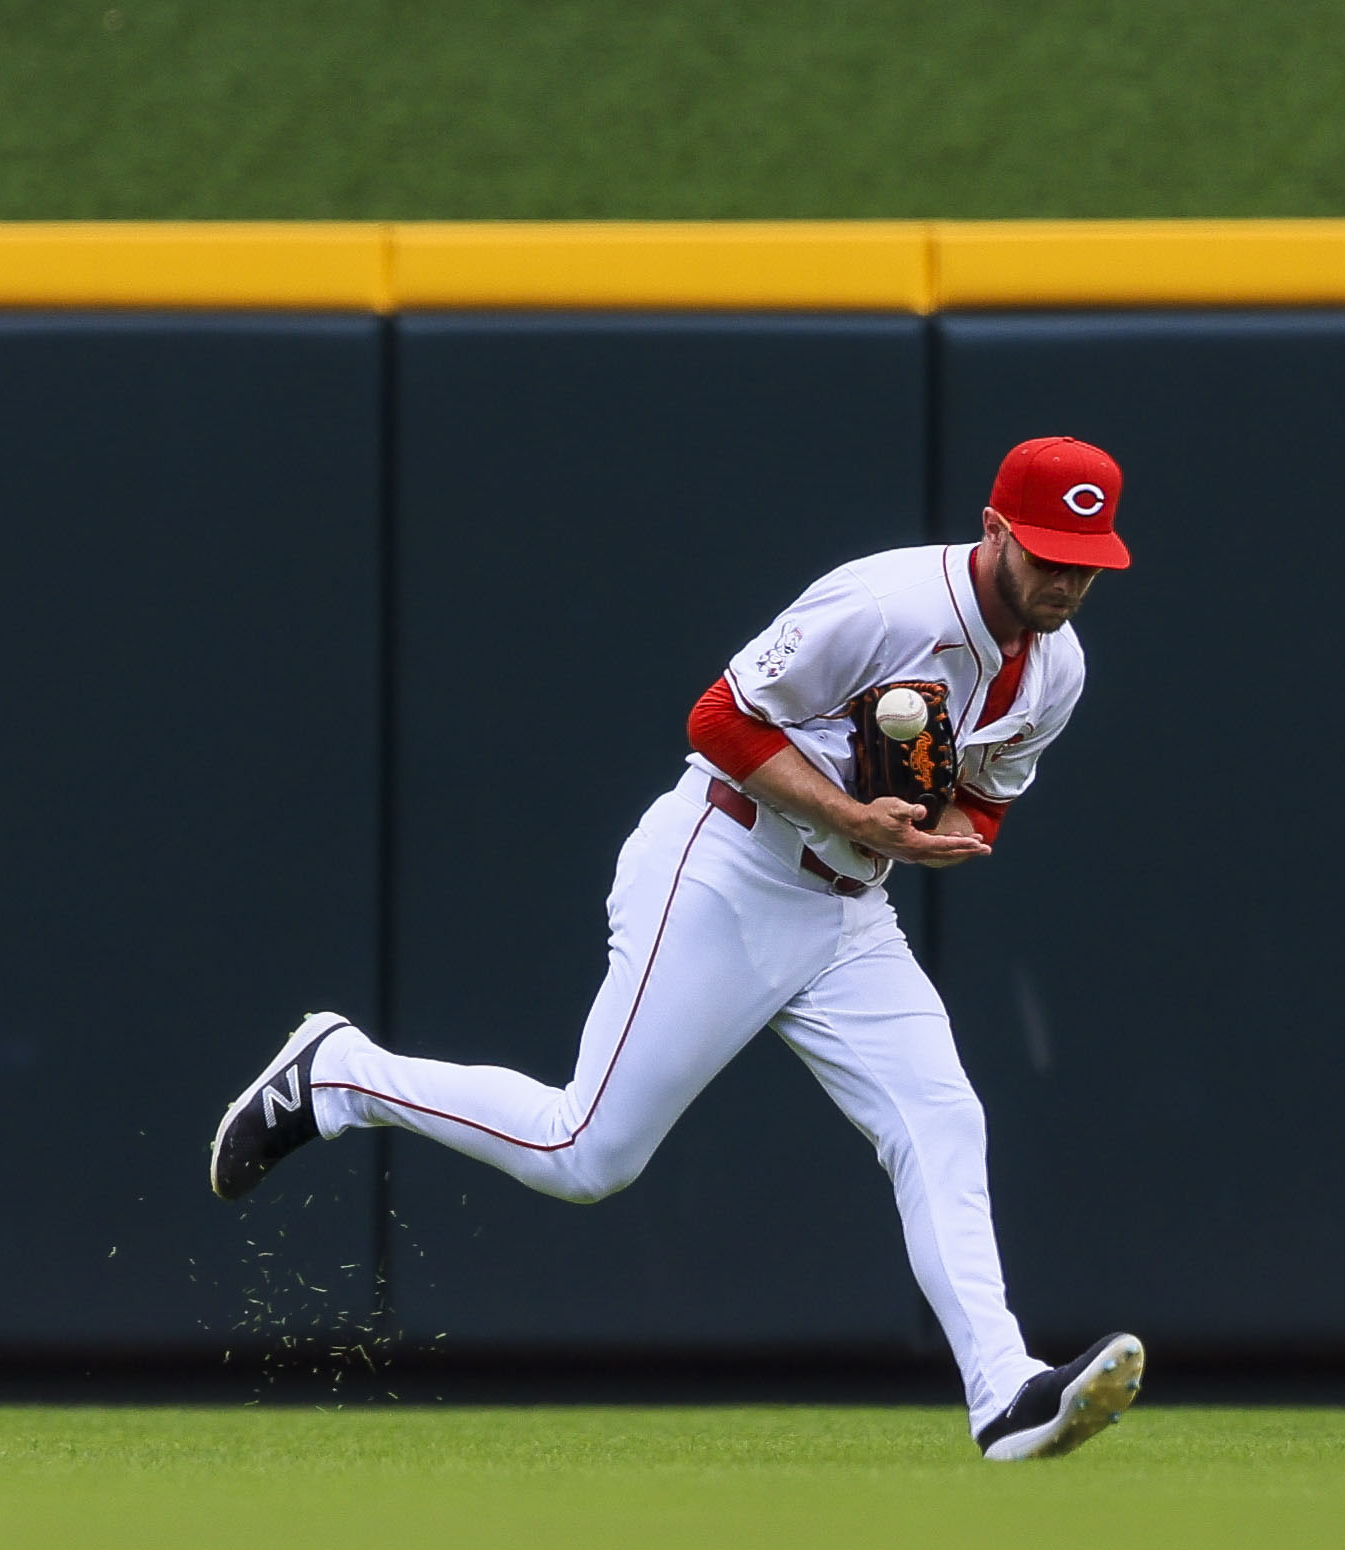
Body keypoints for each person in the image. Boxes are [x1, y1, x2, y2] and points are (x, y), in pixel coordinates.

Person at [211, 437, 1144, 1460]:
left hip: (848, 911)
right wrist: (851, 807)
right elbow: (717, 718)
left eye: (1086, 556)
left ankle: (1004, 1390)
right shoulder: (886, 604)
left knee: (940, 1117)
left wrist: (926, 829)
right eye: (1048, 551)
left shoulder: (1059, 670)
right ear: (996, 529)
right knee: (584, 1153)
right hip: (725, 866)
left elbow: (983, 806)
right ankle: (340, 1074)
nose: (1066, 577)